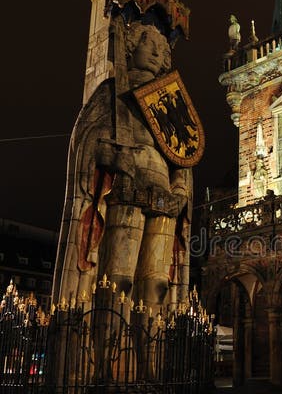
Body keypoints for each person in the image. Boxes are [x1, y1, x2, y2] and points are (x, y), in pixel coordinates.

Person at [53, 17, 194, 311]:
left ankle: (152, 342)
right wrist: (113, 154)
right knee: (118, 280)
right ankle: (112, 341)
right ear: (130, 47)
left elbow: (182, 152)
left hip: (165, 197)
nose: (155, 53)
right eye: (147, 43)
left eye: (161, 48)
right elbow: (88, 139)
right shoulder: (113, 91)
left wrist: (181, 189)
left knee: (157, 285)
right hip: (126, 189)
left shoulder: (169, 100)